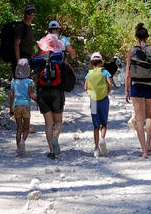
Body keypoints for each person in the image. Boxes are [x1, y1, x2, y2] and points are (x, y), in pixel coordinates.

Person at [33, 20, 76, 158]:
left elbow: (35, 72)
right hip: (57, 91)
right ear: (58, 30)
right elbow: (68, 71)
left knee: (48, 123)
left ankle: (51, 151)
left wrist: (35, 91)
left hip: (42, 91)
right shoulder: (60, 54)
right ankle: (56, 137)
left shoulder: (41, 52)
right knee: (58, 122)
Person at [125, 22, 151, 158]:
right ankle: (148, 144)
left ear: (136, 37)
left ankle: (143, 151)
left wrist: (127, 90)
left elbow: (128, 73)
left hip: (136, 86)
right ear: (147, 37)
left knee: (139, 118)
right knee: (150, 115)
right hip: (150, 84)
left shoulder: (131, 51)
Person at [84, 52, 113, 158]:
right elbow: (110, 85)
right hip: (104, 100)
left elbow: (85, 88)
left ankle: (96, 148)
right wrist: (105, 93)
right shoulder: (105, 72)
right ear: (101, 62)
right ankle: (102, 139)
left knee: (96, 125)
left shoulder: (89, 73)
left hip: (93, 101)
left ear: (92, 63)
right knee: (104, 124)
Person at [8, 58, 36, 155]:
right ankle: (23, 141)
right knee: (27, 128)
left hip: (16, 106)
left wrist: (10, 108)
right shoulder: (29, 81)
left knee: (19, 128)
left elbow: (11, 96)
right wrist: (38, 100)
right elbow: (30, 95)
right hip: (26, 106)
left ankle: (18, 149)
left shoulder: (14, 82)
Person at [12, 3, 37, 75]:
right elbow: (16, 44)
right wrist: (18, 61)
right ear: (25, 14)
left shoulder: (30, 27)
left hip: (28, 58)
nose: (31, 15)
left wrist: (32, 54)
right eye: (29, 13)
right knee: (20, 81)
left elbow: (29, 42)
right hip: (21, 58)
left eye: (32, 13)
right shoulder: (20, 27)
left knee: (26, 80)